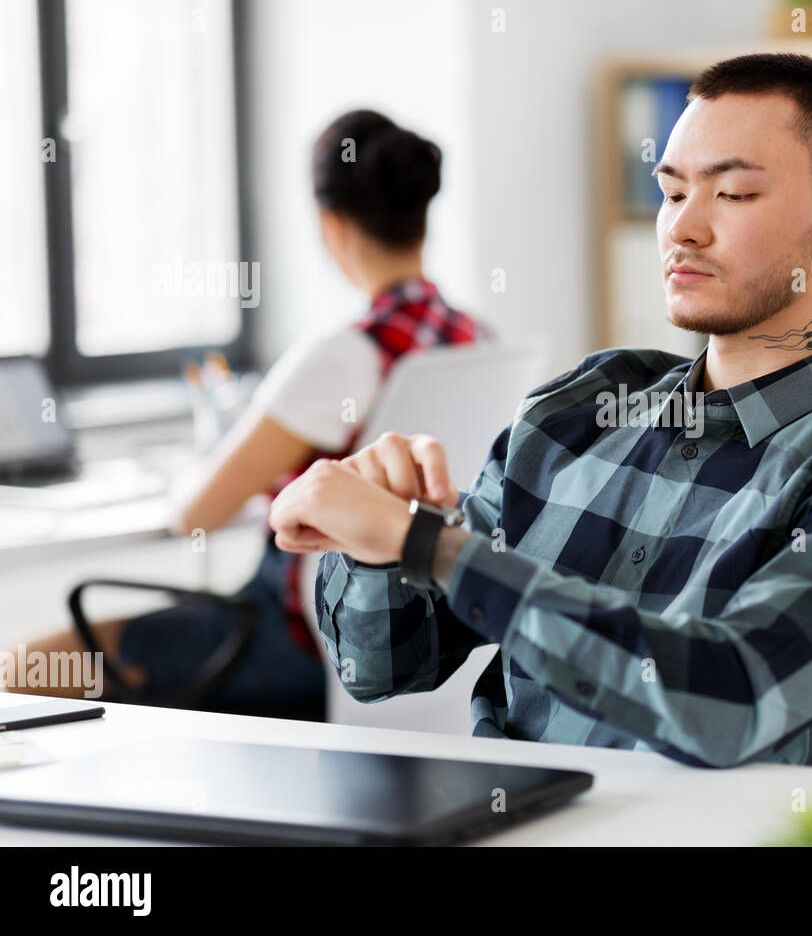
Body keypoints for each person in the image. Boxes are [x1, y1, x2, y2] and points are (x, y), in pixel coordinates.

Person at [267, 53, 812, 769]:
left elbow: (734, 696)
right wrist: (377, 549)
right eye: (673, 191)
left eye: (734, 195)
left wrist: (428, 545)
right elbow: (382, 669)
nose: (683, 229)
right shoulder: (584, 408)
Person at [10, 110, 485, 721]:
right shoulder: (473, 337)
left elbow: (195, 513)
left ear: (331, 226)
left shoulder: (342, 355)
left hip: (296, 638)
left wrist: (199, 466)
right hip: (409, 637)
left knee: (26, 663)